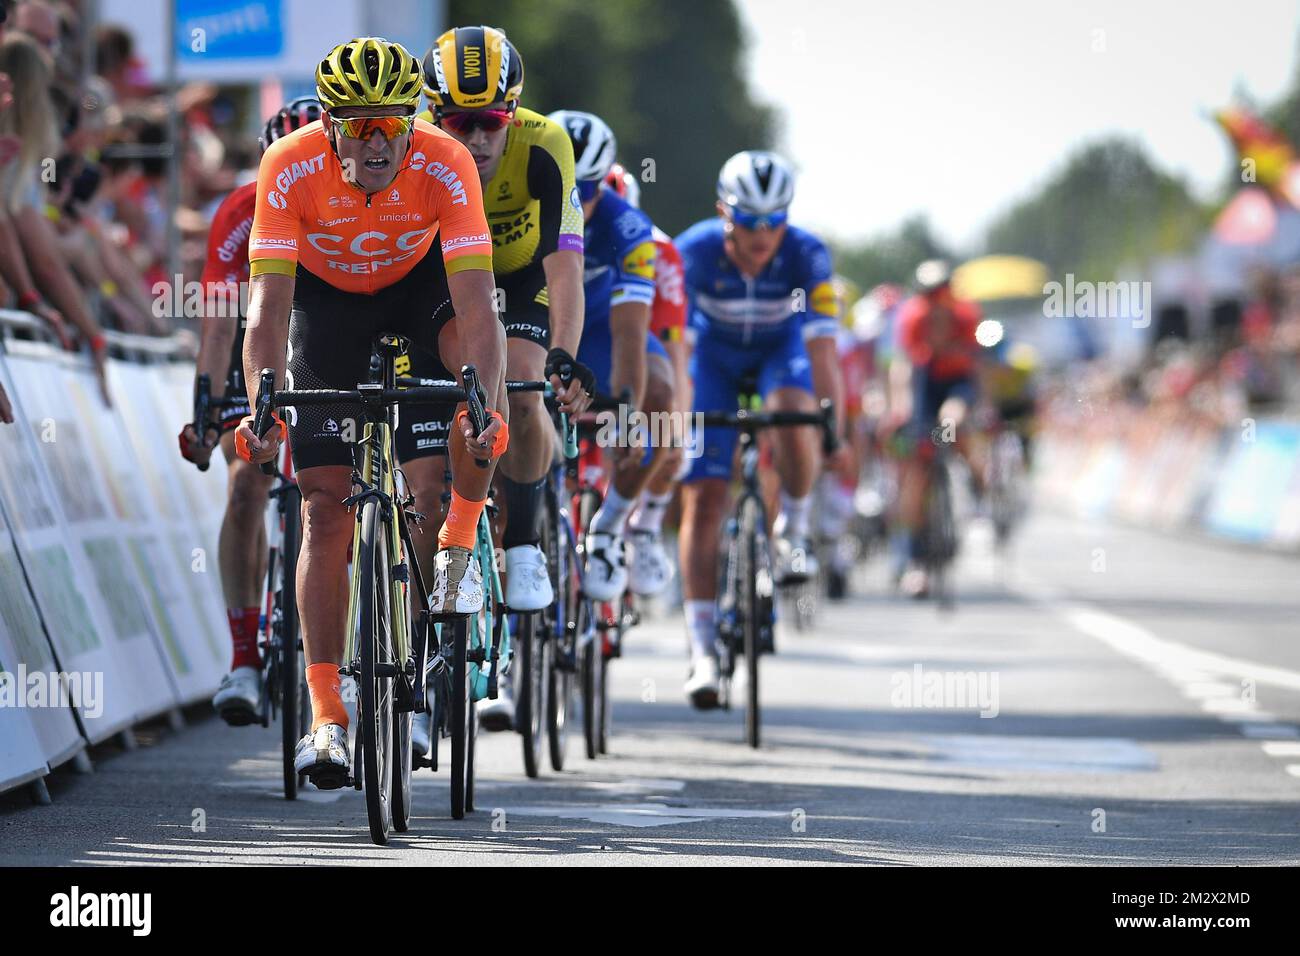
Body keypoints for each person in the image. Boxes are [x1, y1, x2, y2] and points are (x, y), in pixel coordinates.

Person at [234, 37, 508, 789]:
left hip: (421, 294)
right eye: (361, 124)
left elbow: (479, 305)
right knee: (325, 508)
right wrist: (263, 402)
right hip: (325, 309)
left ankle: (454, 540)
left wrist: (484, 401)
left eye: (394, 122)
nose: (380, 141)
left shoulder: (444, 161)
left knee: (439, 468)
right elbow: (267, 309)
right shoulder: (286, 164)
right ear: (328, 124)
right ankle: (329, 715)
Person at [415, 25, 591, 619]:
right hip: (447, 286)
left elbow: (565, 267)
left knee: (520, 383)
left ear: (514, 110)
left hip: (522, 285)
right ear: (431, 114)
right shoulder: (412, 151)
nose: (480, 138)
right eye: (460, 123)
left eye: (493, 119)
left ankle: (523, 545)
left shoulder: (546, 143)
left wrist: (563, 355)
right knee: (463, 381)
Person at [675, 150, 846, 708]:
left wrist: (831, 424)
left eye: (775, 221)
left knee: (798, 411)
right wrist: (674, 412)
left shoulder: (807, 252)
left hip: (780, 352)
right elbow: (673, 345)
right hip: (713, 361)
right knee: (704, 499)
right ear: (725, 213)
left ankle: (793, 531)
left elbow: (824, 350)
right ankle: (701, 647)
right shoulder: (692, 252)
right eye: (750, 221)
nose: (763, 235)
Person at [178, 98, 321, 726]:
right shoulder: (238, 212)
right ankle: (243, 658)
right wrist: (207, 409)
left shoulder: (345, 198)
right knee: (245, 485)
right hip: (255, 339)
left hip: (322, 340)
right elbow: (218, 327)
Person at [549, 110, 676, 601]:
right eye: (564, 191)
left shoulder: (630, 228)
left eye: (586, 192)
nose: (575, 205)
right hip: (536, 326)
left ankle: (613, 524)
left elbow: (630, 332)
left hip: (603, 334)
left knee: (661, 399)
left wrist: (626, 410)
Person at [603, 161, 689, 595]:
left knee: (660, 424)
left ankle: (646, 527)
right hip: (587, 342)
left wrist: (679, 423)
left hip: (642, 342)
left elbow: (671, 344)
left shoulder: (659, 250)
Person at [887, 258, 982, 597]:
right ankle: (915, 562)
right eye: (929, 293)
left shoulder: (967, 315)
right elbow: (902, 367)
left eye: (941, 291)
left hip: (956, 380)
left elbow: (977, 361)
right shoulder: (912, 317)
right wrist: (901, 409)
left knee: (951, 420)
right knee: (917, 469)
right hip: (926, 383)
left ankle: (973, 481)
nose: (935, 300)